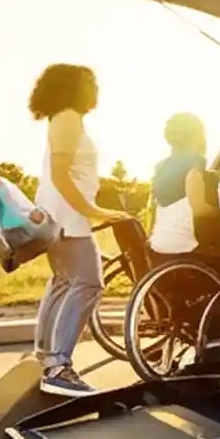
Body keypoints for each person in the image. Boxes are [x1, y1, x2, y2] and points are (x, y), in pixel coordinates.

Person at [30, 64, 128, 396]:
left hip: (57, 214)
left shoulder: (62, 118)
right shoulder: (68, 117)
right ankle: (58, 367)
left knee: (63, 281)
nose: (95, 88)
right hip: (67, 216)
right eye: (91, 82)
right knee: (88, 282)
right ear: (75, 87)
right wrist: (94, 211)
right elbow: (61, 175)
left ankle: (45, 357)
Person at [147, 113, 220, 274]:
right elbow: (199, 209)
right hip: (186, 249)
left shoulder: (160, 169)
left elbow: (152, 210)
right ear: (196, 136)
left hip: (158, 248)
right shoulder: (193, 166)